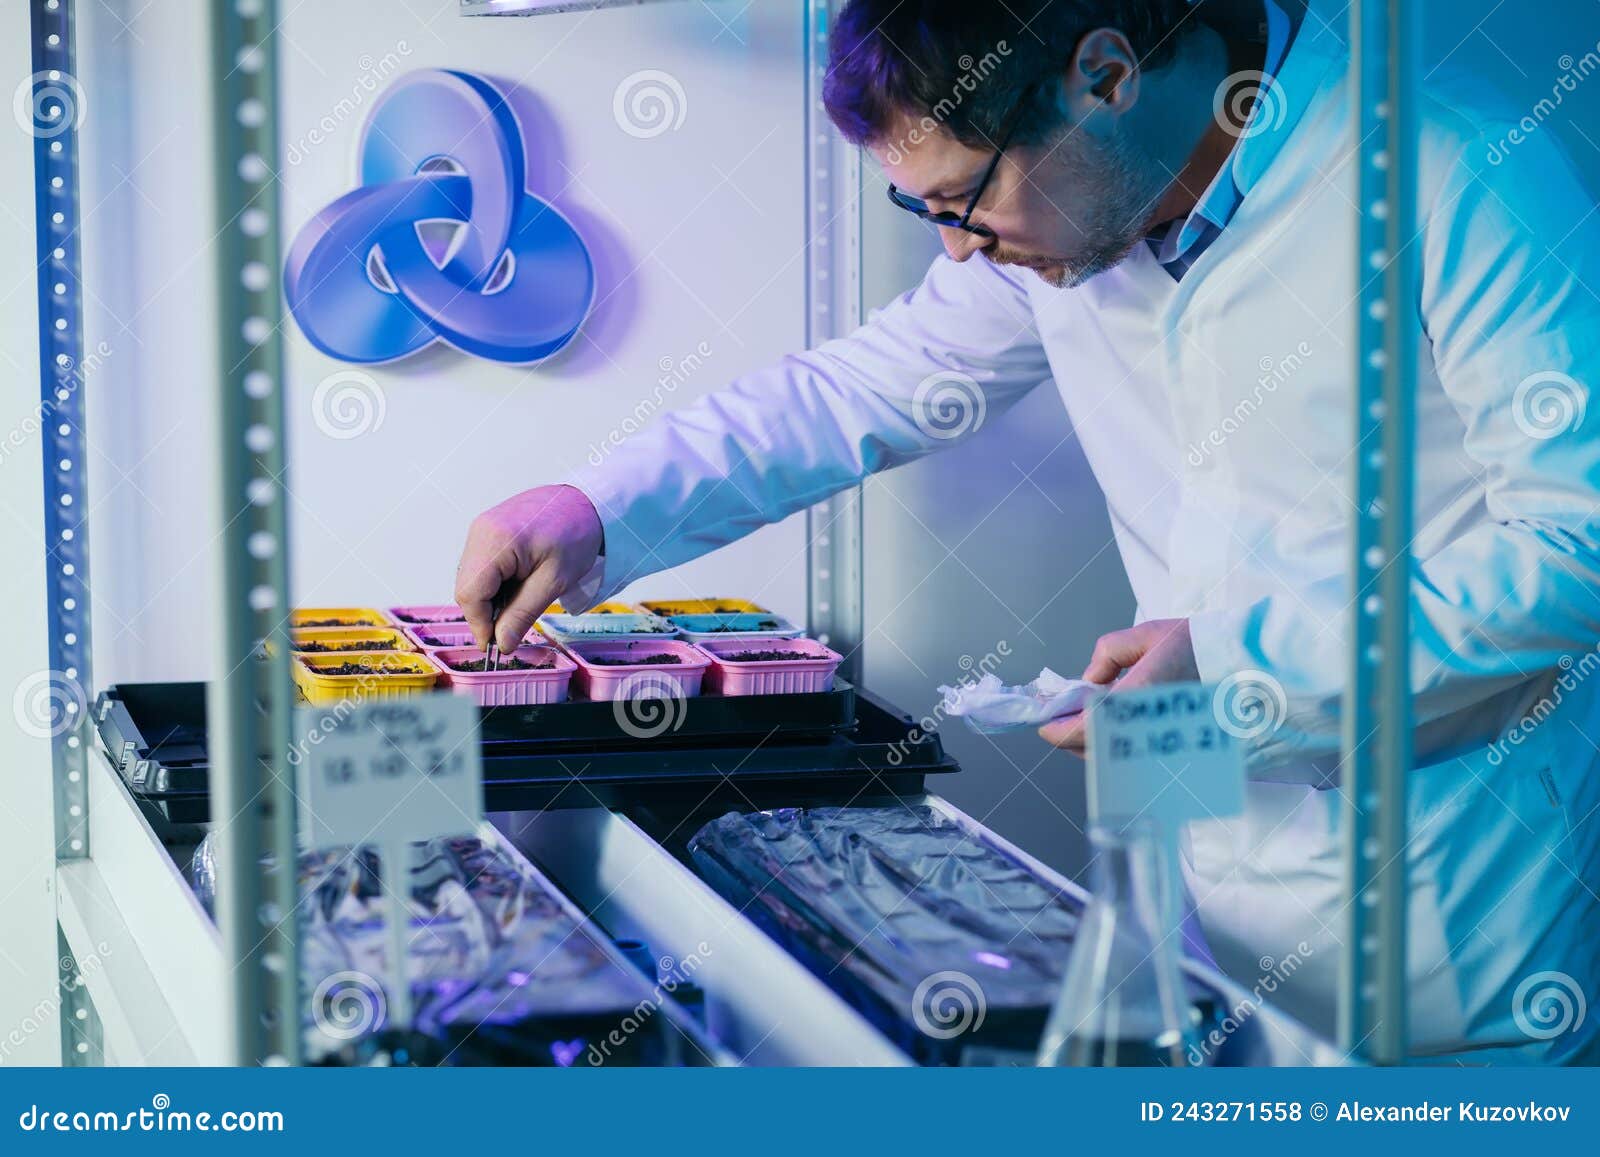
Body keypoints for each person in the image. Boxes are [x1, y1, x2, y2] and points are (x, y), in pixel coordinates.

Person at [455, 0, 1600, 1063]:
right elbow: (855, 391)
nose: (954, 248)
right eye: (926, 211)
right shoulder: (1078, 216)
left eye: (962, 202)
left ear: (1104, 73)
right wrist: (594, 506)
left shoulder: (1458, 169)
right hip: (1206, 868)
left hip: (1455, 890)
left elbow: (1578, 539)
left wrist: (1235, 660)